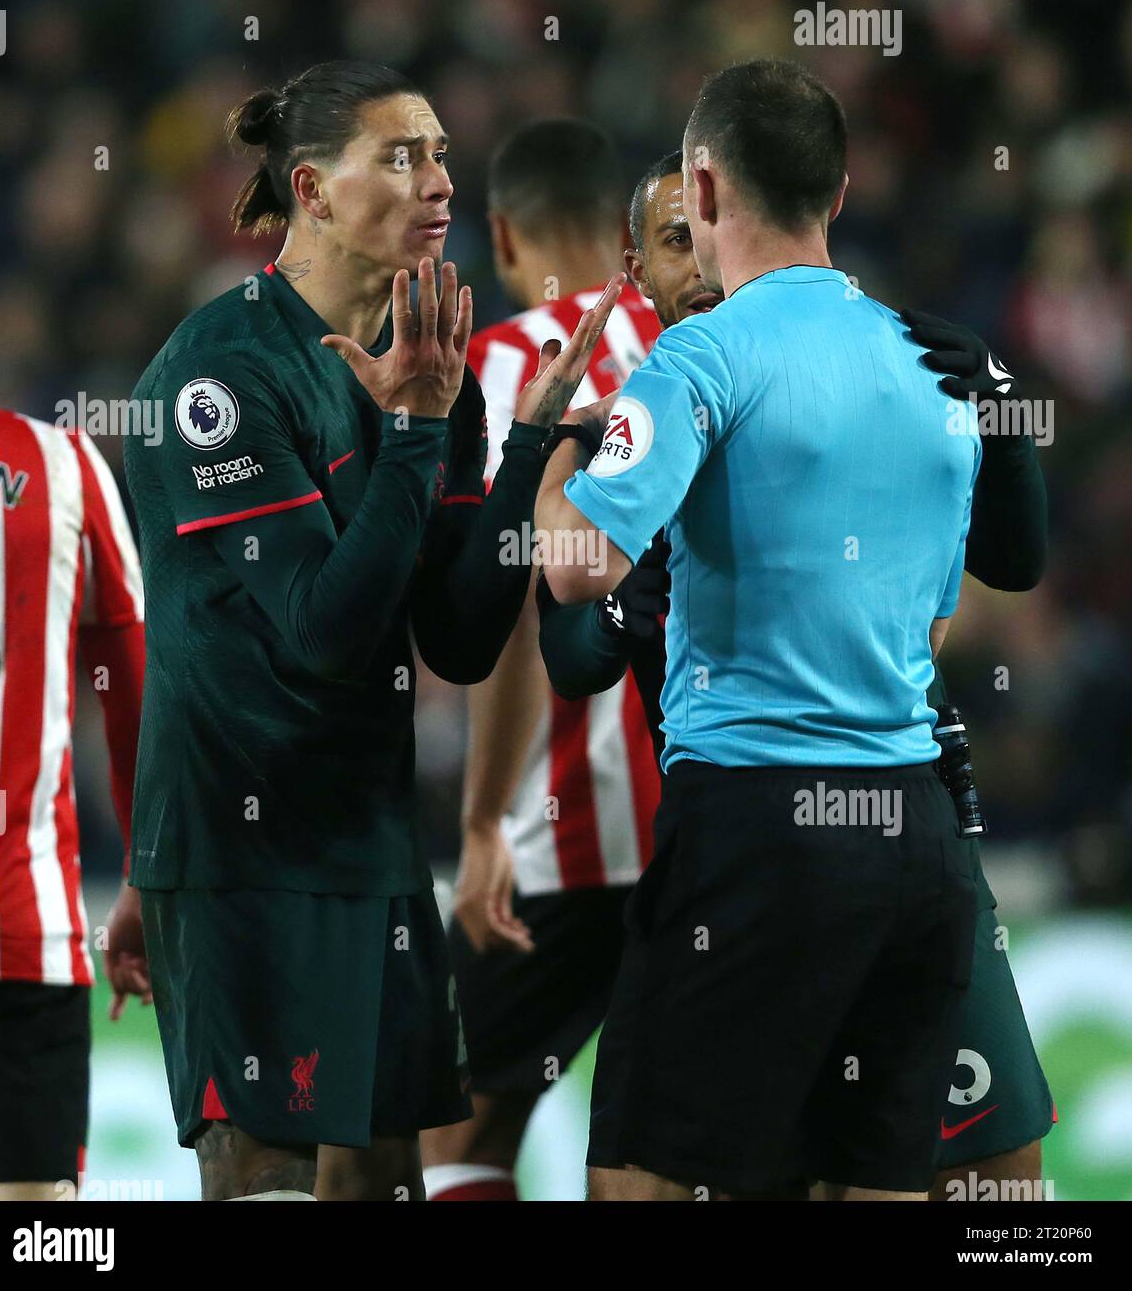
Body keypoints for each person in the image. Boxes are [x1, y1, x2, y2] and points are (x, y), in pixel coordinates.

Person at [124, 60, 621, 1201]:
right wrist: (412, 432)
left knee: (390, 1177)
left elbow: (456, 639)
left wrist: (529, 450)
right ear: (311, 190)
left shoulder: (431, 361)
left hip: (371, 837)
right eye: (401, 158)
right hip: (240, 846)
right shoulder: (219, 376)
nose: (439, 182)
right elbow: (324, 630)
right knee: (269, 1180)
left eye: (441, 155)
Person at [539, 153, 1057, 1201]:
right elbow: (574, 655)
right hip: (754, 838)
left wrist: (1001, 419)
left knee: (998, 1170)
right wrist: (631, 592)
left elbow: (999, 571)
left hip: (904, 809)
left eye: (706, 230)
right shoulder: (635, 431)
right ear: (637, 270)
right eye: (673, 242)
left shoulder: (867, 374)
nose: (701, 262)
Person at [420, 119, 666, 1203]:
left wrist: (481, 824)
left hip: (563, 833)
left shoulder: (498, 369)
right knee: (677, 1148)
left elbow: (513, 610)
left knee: (453, 1131)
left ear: (505, 234)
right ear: (626, 231)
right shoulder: (700, 343)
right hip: (719, 811)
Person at [0, 394, 148, 1200]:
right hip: (18, 932)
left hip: (21, 937)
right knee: (36, 1242)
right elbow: (136, 692)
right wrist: (147, 876)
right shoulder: (61, 462)